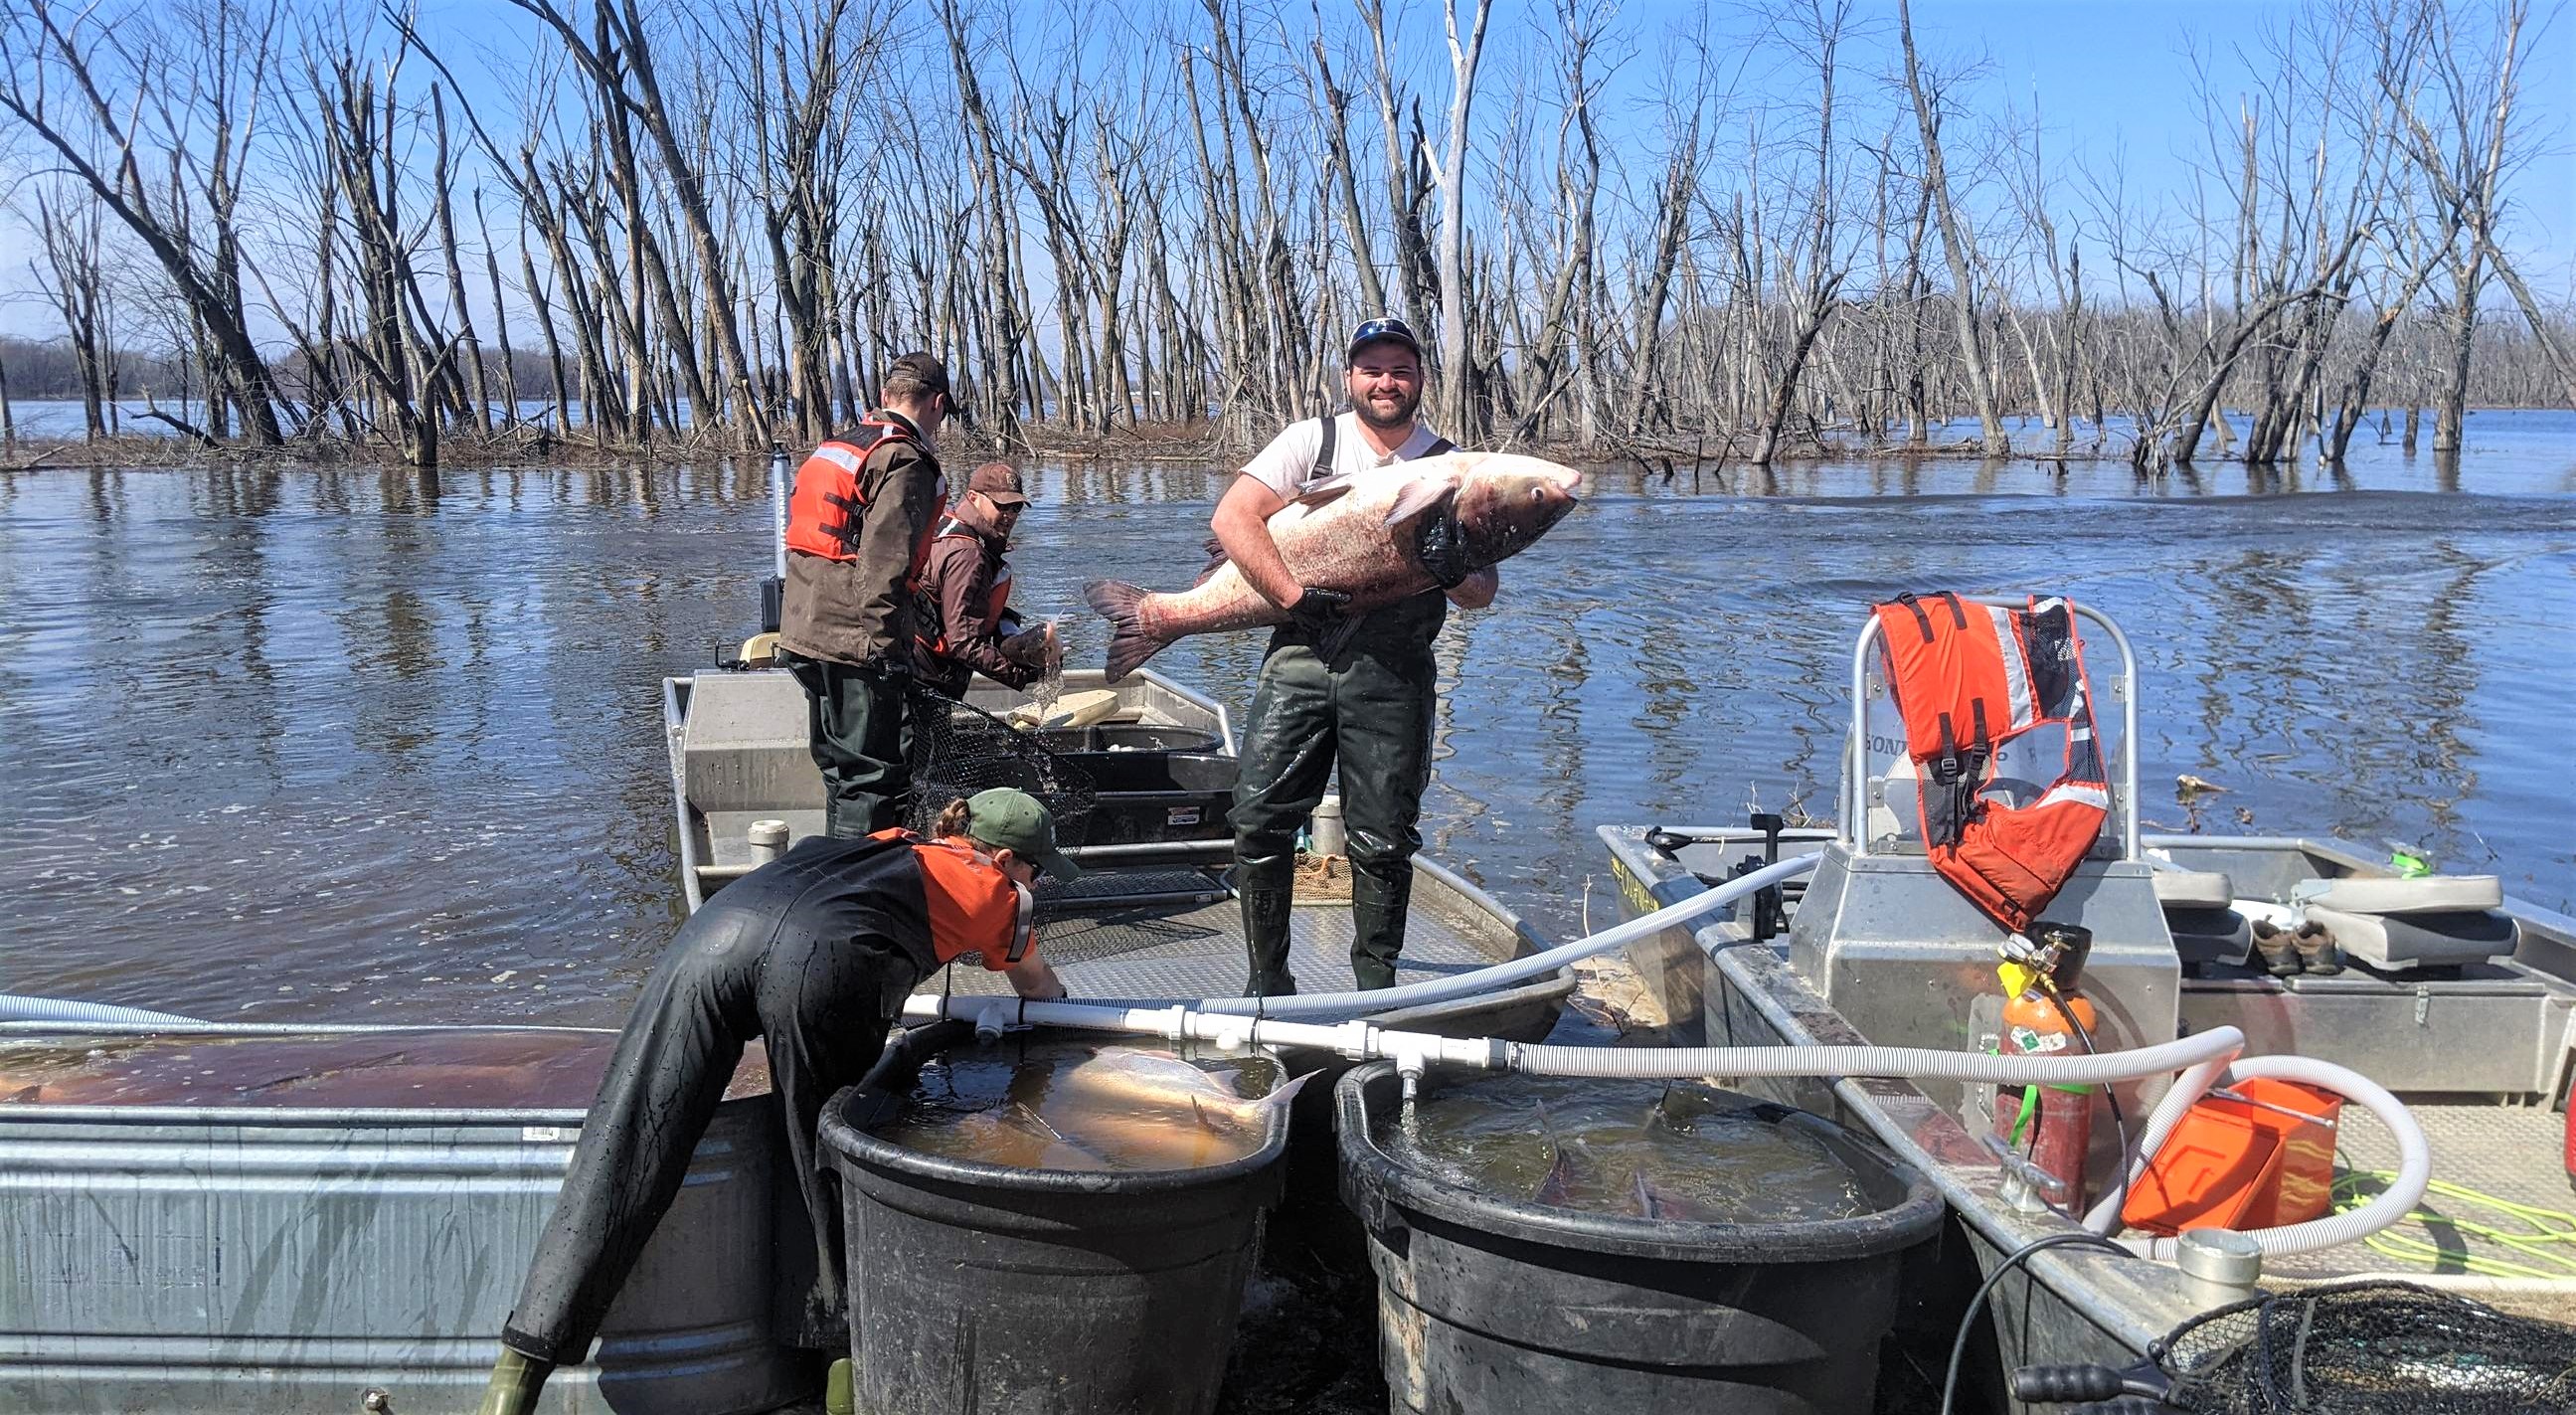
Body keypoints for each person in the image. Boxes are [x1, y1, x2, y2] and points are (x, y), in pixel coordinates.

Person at [467, 789, 1077, 1415]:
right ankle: (842, 1383)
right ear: (1005, 858)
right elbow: (1038, 988)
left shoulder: (886, 843)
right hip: (823, 959)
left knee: (630, 1133)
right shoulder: (1001, 897)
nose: (1037, 881)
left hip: (715, 932)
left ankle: (517, 1373)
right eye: (1036, 868)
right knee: (826, 1164)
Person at [1210, 316, 1497, 996]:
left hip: (1393, 673)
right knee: (1257, 820)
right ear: (1349, 378)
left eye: (1400, 369)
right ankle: (1266, 984)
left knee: (1383, 839)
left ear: (1420, 378)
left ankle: (1377, 990)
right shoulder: (1311, 442)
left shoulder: (1452, 465)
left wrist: (1450, 566)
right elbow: (1233, 518)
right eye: (1372, 369)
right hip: (1299, 658)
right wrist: (1289, 593)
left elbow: (1482, 593)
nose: (1386, 382)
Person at [777, 353, 955, 836]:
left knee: (839, 768)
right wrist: (890, 648)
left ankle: (836, 870)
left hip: (802, 632)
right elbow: (884, 569)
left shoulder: (839, 446)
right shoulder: (904, 461)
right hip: (852, 641)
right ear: (937, 404)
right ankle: (860, 896)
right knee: (871, 777)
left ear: (884, 398)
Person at [910, 461, 1056, 700]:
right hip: (926, 675)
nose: (1009, 515)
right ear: (973, 497)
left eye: (1016, 507)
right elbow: (964, 643)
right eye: (1001, 505)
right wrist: (1023, 674)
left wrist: (1008, 627)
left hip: (913, 662)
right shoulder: (968, 554)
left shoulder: (946, 525)